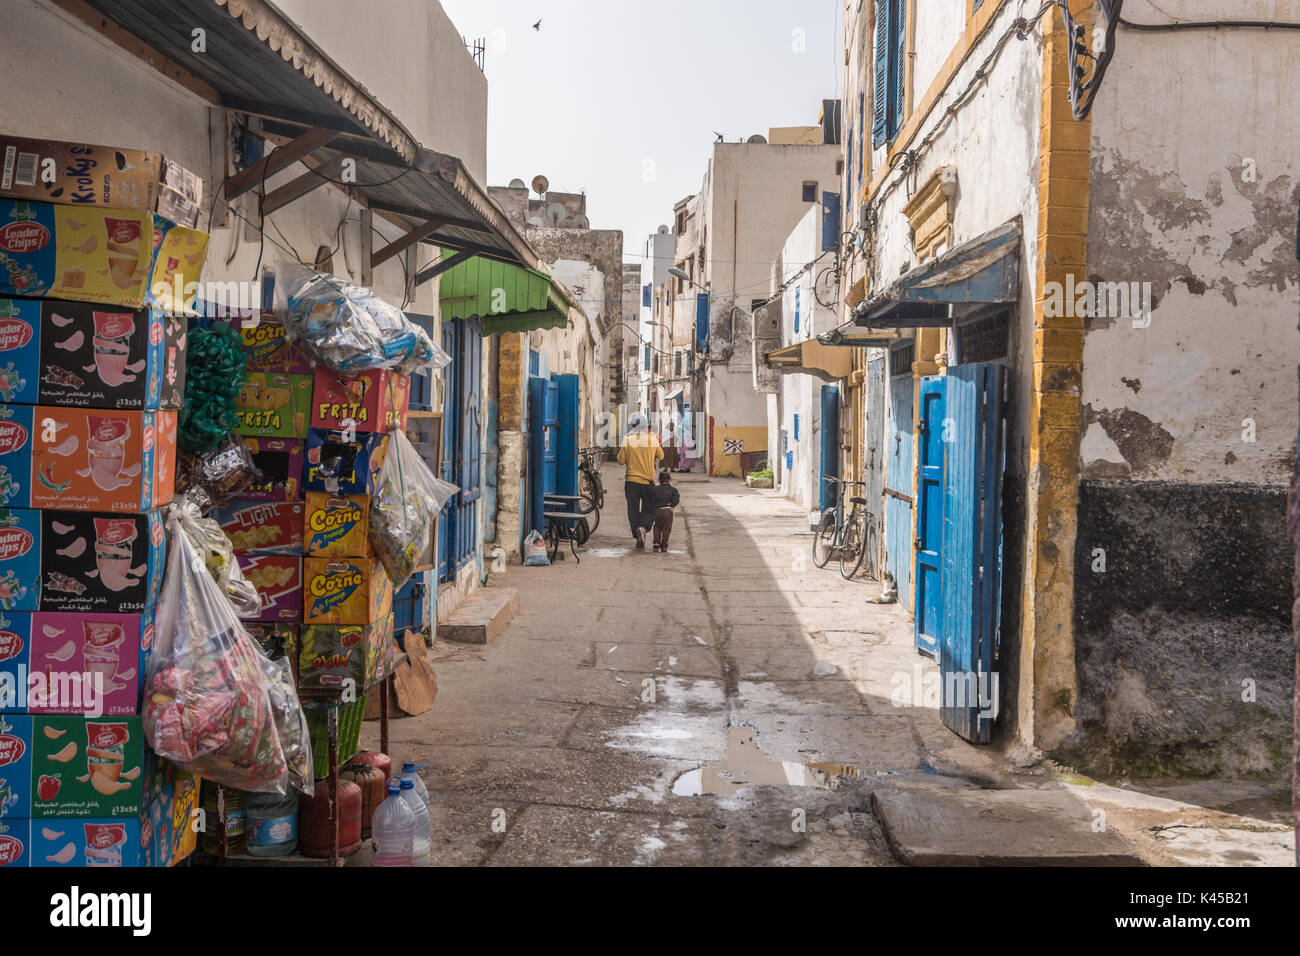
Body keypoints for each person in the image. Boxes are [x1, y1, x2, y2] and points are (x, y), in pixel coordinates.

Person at [617, 413, 662, 549]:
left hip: (631, 482)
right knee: (649, 509)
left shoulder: (627, 439)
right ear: (645, 426)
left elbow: (620, 460)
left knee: (633, 510)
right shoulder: (652, 440)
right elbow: (661, 455)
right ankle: (643, 528)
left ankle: (638, 534)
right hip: (648, 481)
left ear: (632, 426)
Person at [647, 470, 680, 552]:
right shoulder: (673, 490)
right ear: (670, 480)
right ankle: (664, 546)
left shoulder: (656, 489)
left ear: (659, 480)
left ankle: (656, 543)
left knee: (657, 527)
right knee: (666, 529)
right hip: (668, 511)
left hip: (657, 511)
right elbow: (676, 498)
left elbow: (650, 492)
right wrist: (672, 505)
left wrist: (651, 483)